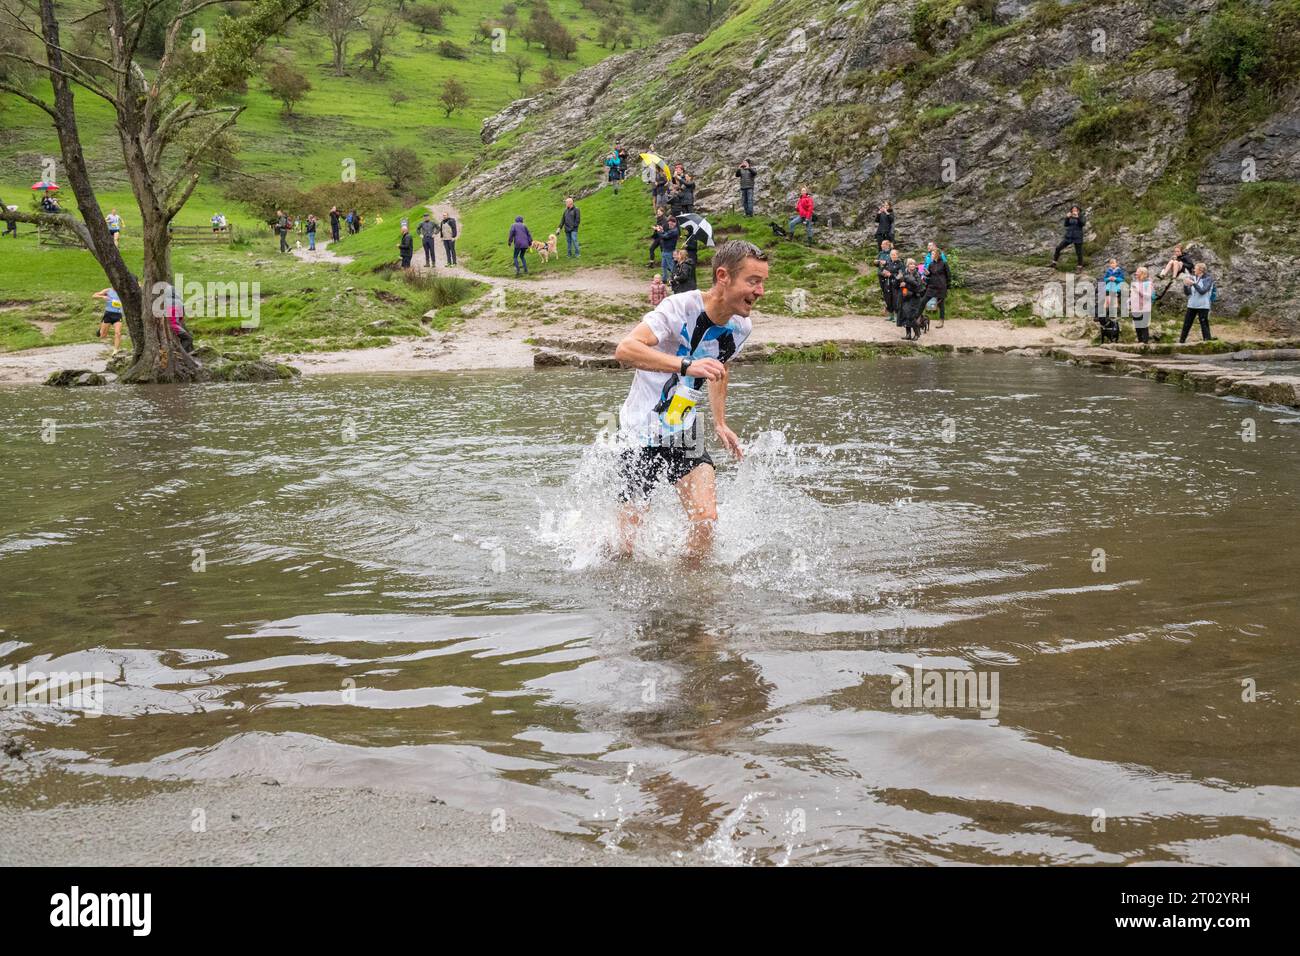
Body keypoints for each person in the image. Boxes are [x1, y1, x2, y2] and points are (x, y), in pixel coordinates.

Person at [612, 240, 769, 561]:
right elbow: (625, 350)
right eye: (753, 281)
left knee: (706, 522)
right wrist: (685, 365)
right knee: (625, 548)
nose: (761, 291)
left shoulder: (741, 327)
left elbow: (719, 368)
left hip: (684, 431)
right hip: (638, 431)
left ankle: (690, 600)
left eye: (763, 282)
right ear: (723, 276)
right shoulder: (678, 308)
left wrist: (720, 422)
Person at [1180, 262, 1215, 343]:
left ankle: (1207, 342)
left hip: (1203, 306)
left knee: (1204, 325)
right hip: (1191, 305)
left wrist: (1194, 284)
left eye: (1195, 268)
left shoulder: (1208, 279)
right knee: (1186, 325)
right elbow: (1188, 293)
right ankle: (1181, 342)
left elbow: (1202, 291)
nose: (1193, 269)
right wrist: (1185, 285)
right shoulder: (1192, 277)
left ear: (1201, 270)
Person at [898, 259, 927, 340]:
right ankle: (908, 334)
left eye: (914, 264)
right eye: (910, 264)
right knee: (905, 315)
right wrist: (900, 283)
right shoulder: (904, 273)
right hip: (905, 297)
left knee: (912, 317)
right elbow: (898, 283)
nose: (912, 265)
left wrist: (906, 284)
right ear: (907, 265)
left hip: (915, 298)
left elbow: (918, 286)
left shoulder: (917, 274)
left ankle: (917, 334)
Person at [924, 243, 951, 325]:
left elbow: (948, 274)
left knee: (940, 303)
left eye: (930, 245)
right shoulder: (928, 258)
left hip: (941, 285)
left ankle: (941, 320)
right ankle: (921, 317)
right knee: (924, 300)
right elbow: (928, 270)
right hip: (931, 283)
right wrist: (927, 274)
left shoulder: (942, 261)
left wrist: (947, 286)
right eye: (927, 245)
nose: (928, 247)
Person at [93, 286, 125, 351]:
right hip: (108, 314)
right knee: (102, 335)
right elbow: (94, 295)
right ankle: (101, 330)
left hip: (118, 315)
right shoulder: (108, 290)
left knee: (118, 333)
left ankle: (115, 350)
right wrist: (102, 297)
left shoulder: (122, 291)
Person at [878, 247, 904, 323]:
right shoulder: (888, 262)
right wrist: (883, 273)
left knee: (895, 300)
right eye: (891, 254)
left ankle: (897, 316)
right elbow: (882, 270)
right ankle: (891, 315)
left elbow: (901, 274)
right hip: (887, 283)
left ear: (897, 255)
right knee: (888, 299)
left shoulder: (900, 264)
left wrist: (891, 275)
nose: (893, 256)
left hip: (896, 284)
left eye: (894, 254)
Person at [1129, 265, 1153, 344]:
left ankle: (1145, 343)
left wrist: (1139, 291)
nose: (1136, 273)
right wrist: (1128, 303)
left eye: (1138, 272)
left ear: (1143, 273)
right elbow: (1132, 295)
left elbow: (1148, 296)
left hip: (1145, 308)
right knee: (1137, 326)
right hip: (1135, 308)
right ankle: (1140, 342)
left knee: (1144, 326)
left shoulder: (1148, 283)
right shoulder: (1134, 283)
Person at [657, 216, 680, 283]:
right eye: (668, 224)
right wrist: (662, 231)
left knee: (671, 266)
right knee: (663, 266)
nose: (669, 225)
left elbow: (665, 236)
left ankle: (674, 278)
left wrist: (659, 231)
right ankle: (664, 279)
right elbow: (666, 234)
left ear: (674, 223)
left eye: (670, 224)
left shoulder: (674, 231)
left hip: (669, 251)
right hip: (665, 250)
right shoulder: (672, 230)